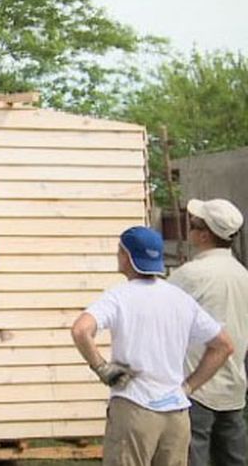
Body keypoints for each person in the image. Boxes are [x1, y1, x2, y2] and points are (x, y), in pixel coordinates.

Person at [71, 226, 234, 466]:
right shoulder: (179, 299)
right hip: (176, 414)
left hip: (134, 409)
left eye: (120, 251)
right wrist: (188, 387)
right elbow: (224, 345)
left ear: (127, 256)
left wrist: (101, 368)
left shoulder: (118, 296)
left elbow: (80, 330)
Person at [169, 199, 247, 466]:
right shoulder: (242, 275)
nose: (188, 229)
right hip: (233, 387)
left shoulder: (190, 275)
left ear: (203, 234)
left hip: (194, 386)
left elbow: (160, 313)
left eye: (192, 225)